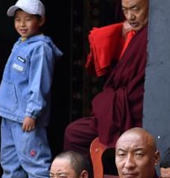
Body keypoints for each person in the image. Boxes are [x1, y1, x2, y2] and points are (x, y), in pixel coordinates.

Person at [0, 0, 62, 178]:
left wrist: (32, 113)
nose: (22, 24)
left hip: (26, 117)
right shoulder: (21, 43)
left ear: (41, 21)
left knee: (34, 157)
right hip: (9, 114)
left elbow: (39, 84)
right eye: (18, 19)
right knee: (9, 159)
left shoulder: (41, 47)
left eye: (28, 19)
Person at [63, 0, 149, 155]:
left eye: (135, 9)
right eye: (125, 10)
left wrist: (107, 101)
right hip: (121, 108)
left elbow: (138, 93)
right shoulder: (137, 35)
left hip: (130, 114)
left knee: (74, 134)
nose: (130, 16)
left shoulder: (148, 38)